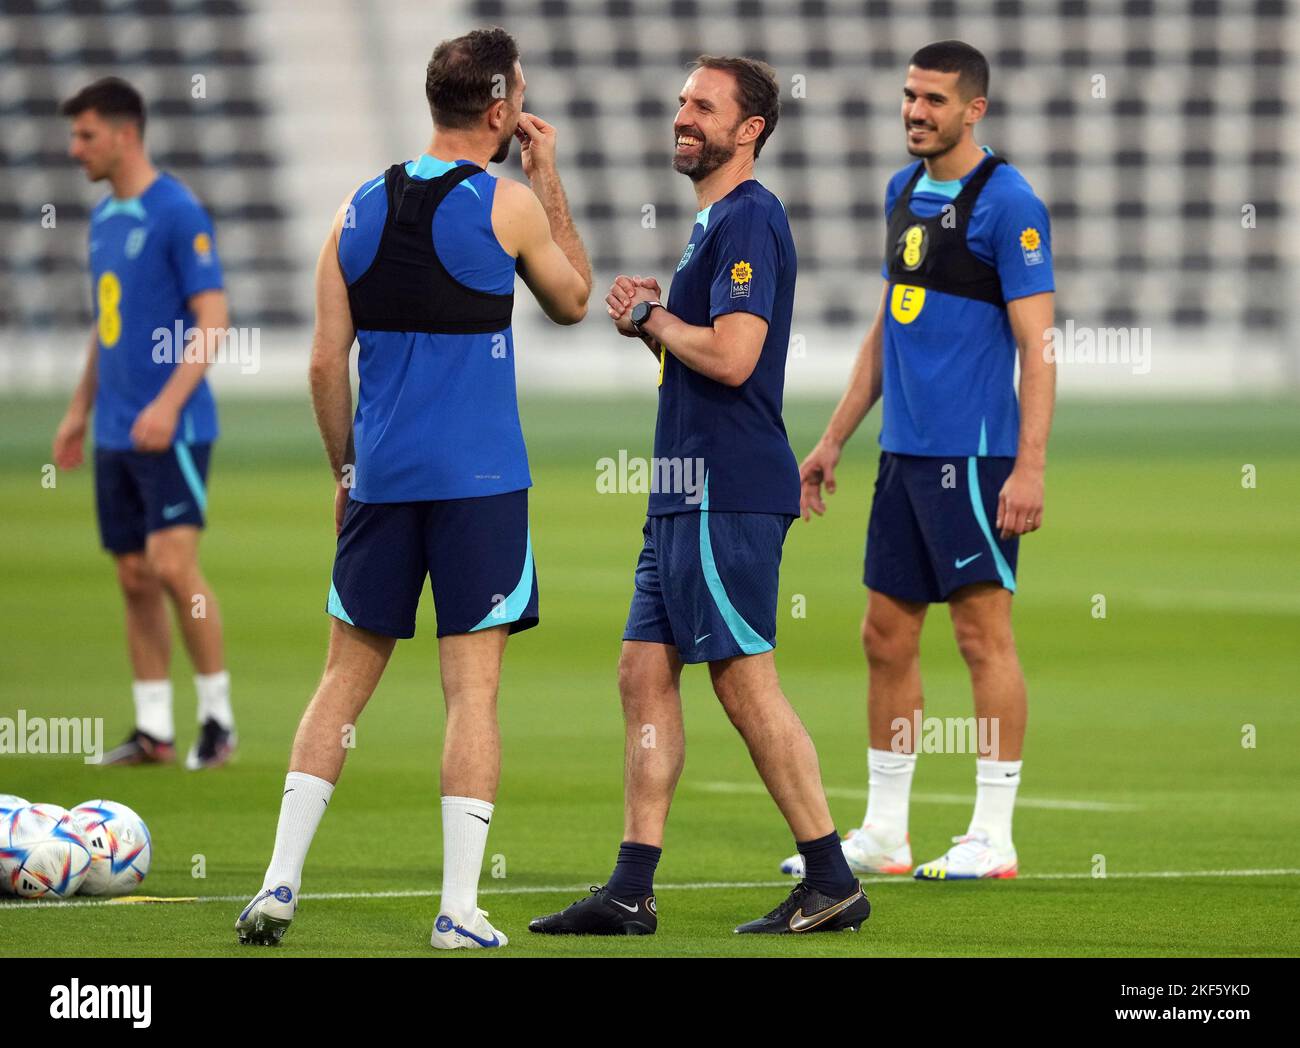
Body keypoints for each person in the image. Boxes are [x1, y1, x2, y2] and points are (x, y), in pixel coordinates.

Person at [236, 27, 591, 950]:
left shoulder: (355, 208)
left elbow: (324, 363)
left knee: (339, 684)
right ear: (502, 111)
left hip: (382, 483)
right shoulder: (507, 202)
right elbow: (575, 298)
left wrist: (347, 470)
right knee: (471, 697)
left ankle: (277, 884)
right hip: (479, 487)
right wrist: (547, 172)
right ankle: (457, 909)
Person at [530, 56, 870, 937]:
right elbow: (701, 357)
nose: (683, 116)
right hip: (683, 488)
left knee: (743, 678)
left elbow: (734, 357)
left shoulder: (751, 218)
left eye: (703, 106)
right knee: (643, 673)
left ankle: (831, 878)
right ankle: (632, 888)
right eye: (682, 102)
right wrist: (656, 326)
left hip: (726, 489)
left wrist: (652, 318)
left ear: (748, 129)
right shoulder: (715, 223)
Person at [782, 40, 1056, 882]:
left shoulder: (1010, 204)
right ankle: (887, 833)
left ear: (974, 109)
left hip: (974, 460)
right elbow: (887, 327)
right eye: (909, 96)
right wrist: (833, 438)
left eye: (933, 100)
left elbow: (1038, 349)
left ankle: (993, 834)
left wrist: (1030, 466)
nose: (914, 111)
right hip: (902, 458)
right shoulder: (901, 191)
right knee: (885, 635)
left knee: (982, 636)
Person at [54, 77, 236, 771]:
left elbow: (213, 320)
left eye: (87, 135)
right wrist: (79, 409)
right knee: (132, 574)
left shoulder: (176, 211)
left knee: (170, 565)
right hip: (114, 431)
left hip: (175, 429)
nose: (76, 149)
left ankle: (216, 719)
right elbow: (109, 330)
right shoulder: (105, 218)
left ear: (125, 134)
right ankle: (155, 730)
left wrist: (167, 404)